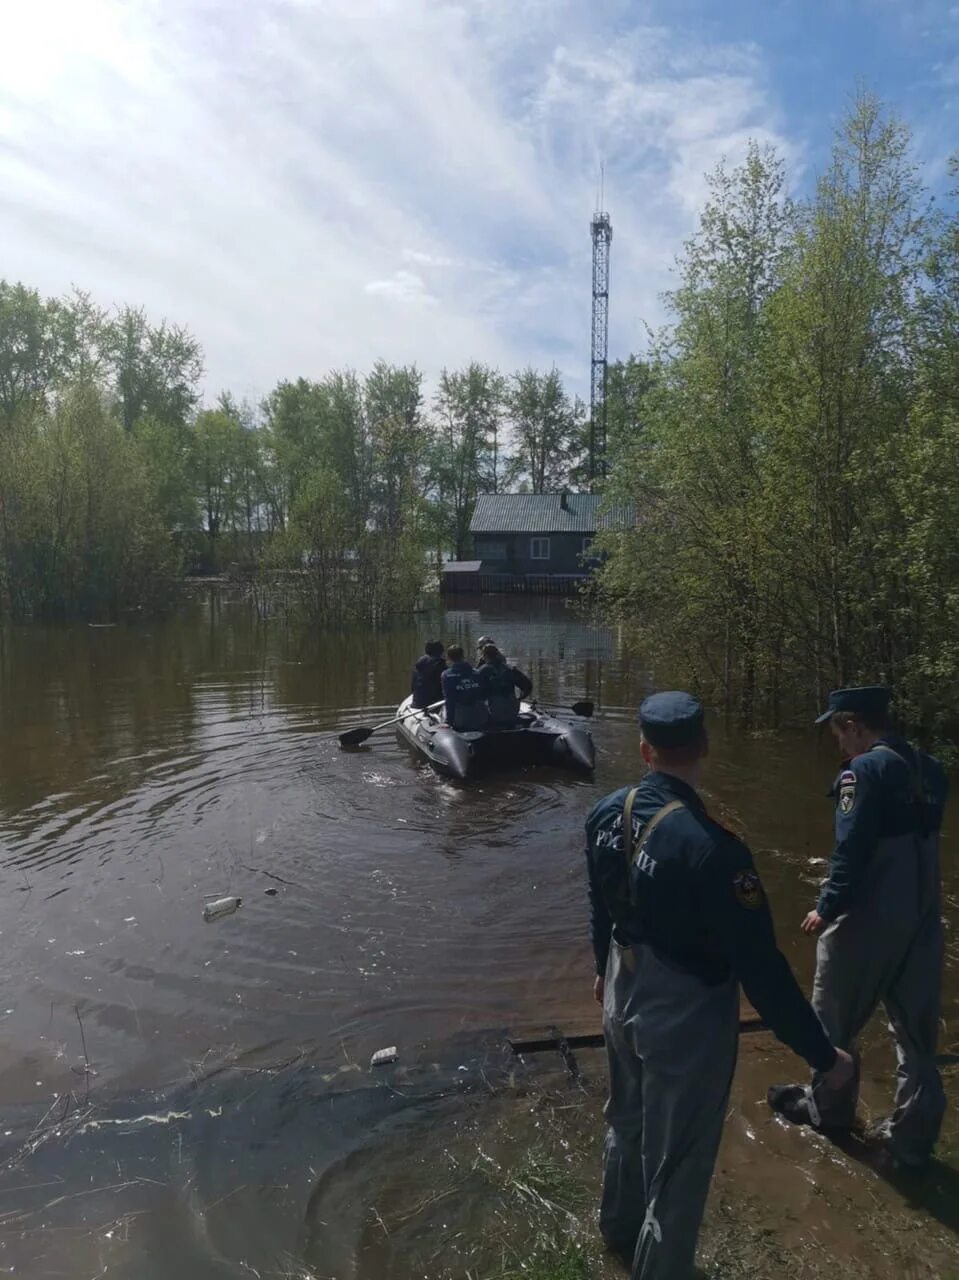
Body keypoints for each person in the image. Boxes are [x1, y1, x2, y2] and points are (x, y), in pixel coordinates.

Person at [585, 691, 852, 1280]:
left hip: (620, 991)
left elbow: (601, 900)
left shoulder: (607, 812)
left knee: (626, 1119)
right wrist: (822, 1055)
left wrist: (600, 970)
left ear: (643, 749)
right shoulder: (716, 850)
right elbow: (762, 971)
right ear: (704, 746)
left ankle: (616, 1230)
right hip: (683, 1015)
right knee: (678, 1155)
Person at [768, 686, 948, 1167]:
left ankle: (829, 1111)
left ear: (853, 725)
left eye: (838, 732)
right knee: (915, 1035)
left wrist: (826, 907)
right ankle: (911, 1141)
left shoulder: (861, 771)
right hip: (924, 914)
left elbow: (852, 849)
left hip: (872, 914)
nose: (838, 744)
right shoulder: (930, 768)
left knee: (833, 1017)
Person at [478, 644, 533, 727]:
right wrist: (520, 698)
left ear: (484, 656)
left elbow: (475, 693)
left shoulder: (482, 671)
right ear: (497, 654)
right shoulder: (510, 669)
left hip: (495, 713)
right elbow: (528, 686)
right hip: (513, 711)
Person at [440, 645, 488, 731]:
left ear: (449, 658)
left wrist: (448, 722)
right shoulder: (477, 673)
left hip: (462, 720)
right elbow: (484, 695)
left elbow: (449, 699)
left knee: (442, 708)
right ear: (463, 656)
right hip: (481, 717)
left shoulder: (446, 675)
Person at [410, 640, 446, 710]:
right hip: (432, 704)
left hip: (417, 703)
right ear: (439, 651)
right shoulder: (439, 664)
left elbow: (412, 688)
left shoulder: (418, 664)